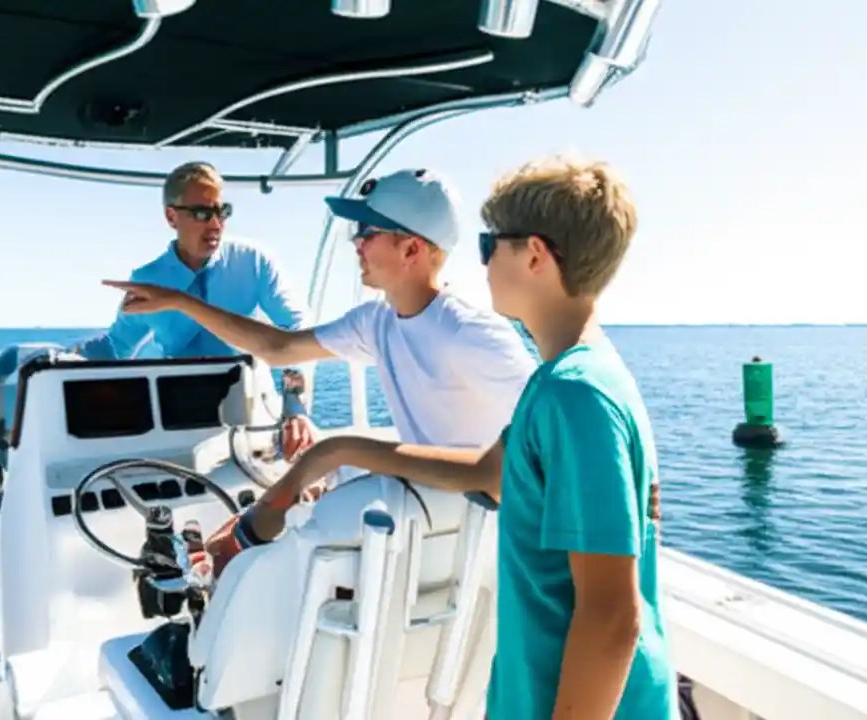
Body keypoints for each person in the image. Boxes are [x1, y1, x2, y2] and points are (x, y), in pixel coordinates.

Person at [217, 155, 679, 718]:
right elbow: (488, 472)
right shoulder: (558, 384)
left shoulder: (575, 396)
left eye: (490, 246)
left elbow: (611, 620)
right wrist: (339, 451)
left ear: (534, 255)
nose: (480, 263)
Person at [103, 167, 540, 568]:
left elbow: (548, 453)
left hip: (477, 542)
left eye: (368, 232)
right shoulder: (376, 321)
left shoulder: (471, 332)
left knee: (294, 515)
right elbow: (280, 347)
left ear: (412, 248)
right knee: (293, 503)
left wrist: (341, 453)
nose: (356, 243)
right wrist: (181, 302)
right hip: (425, 515)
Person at [74, 160, 318, 456]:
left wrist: (295, 407)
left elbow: (298, 327)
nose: (216, 225)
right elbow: (117, 346)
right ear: (171, 217)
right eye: (202, 213)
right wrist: (64, 359)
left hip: (252, 412)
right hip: (178, 417)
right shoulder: (147, 279)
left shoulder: (254, 261)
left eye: (222, 212)